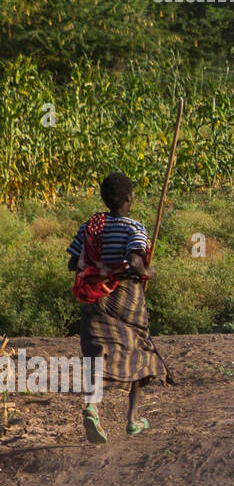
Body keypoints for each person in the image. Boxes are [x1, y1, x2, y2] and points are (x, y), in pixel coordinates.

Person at [66, 172, 172, 443]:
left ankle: (91, 407)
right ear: (128, 198)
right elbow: (134, 261)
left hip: (94, 298)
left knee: (95, 352)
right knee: (138, 350)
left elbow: (72, 263)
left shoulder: (90, 227)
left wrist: (99, 268)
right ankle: (132, 420)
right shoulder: (133, 228)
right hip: (126, 298)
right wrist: (148, 270)